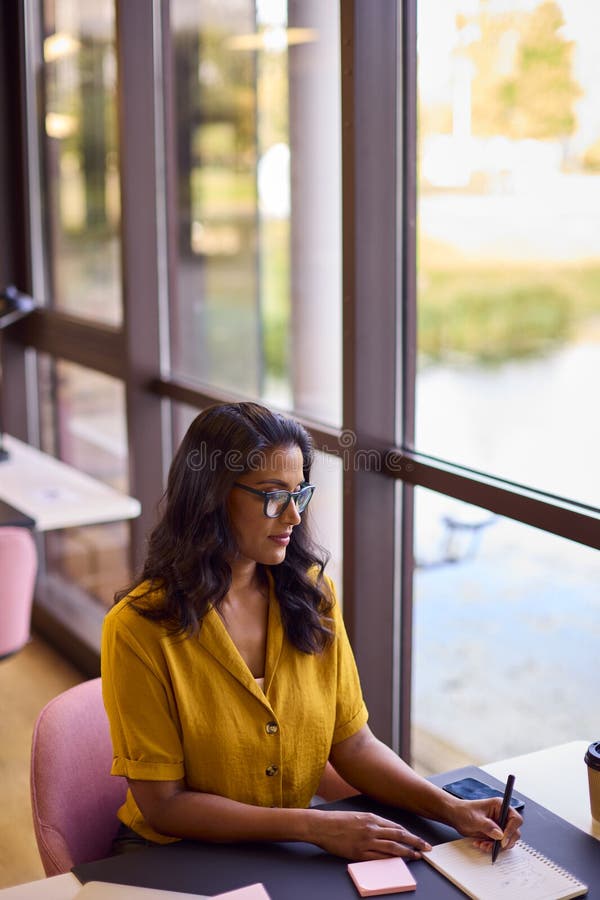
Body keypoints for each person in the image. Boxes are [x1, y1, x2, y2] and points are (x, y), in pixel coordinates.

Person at [101, 401, 521, 861]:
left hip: (285, 849)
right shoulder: (138, 628)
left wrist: (451, 808)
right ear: (212, 495)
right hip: (178, 858)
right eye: (273, 495)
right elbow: (165, 807)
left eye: (299, 494)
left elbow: (353, 742)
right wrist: (314, 825)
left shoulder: (313, 598)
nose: (294, 517)